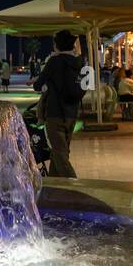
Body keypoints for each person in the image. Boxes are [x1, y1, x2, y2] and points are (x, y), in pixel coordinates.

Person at [32, 29, 85, 178]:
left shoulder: (54, 61)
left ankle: (77, 188)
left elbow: (38, 85)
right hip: (72, 113)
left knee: (60, 155)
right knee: (59, 151)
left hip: (55, 113)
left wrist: (44, 83)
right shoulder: (79, 62)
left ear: (57, 45)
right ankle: (54, 184)